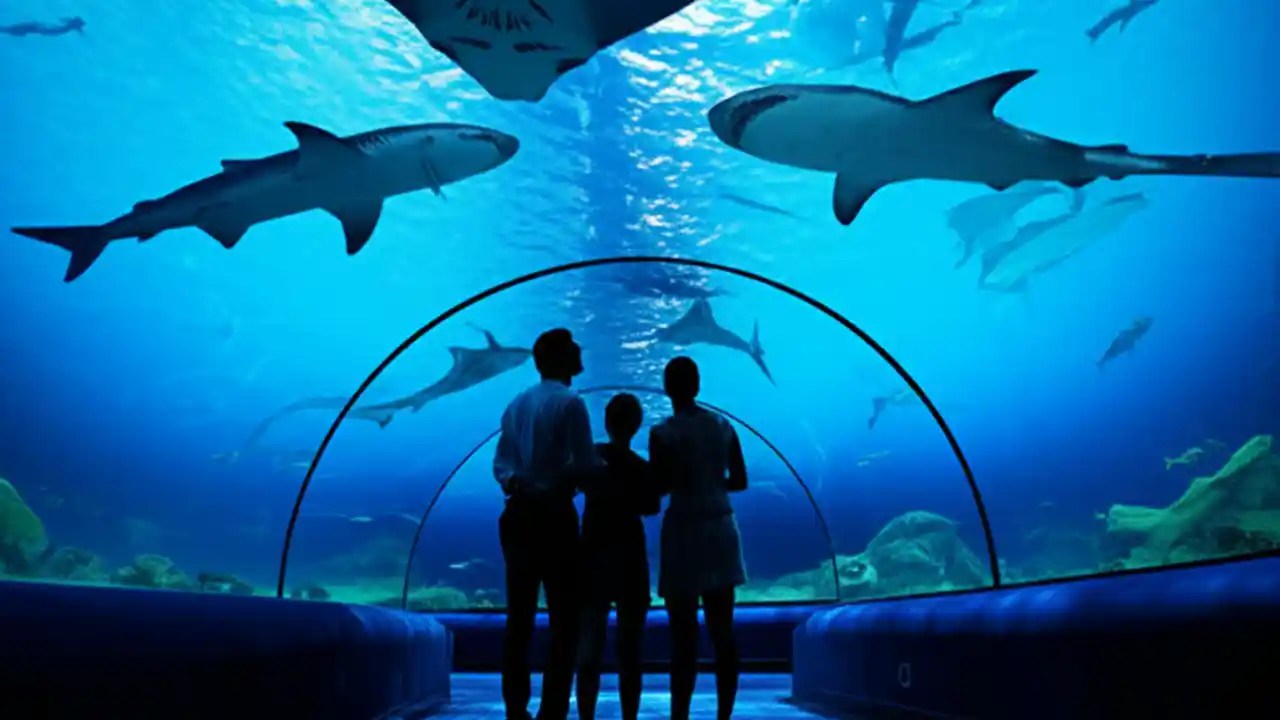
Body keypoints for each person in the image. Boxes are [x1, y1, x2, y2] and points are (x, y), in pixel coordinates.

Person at [493, 328, 599, 720]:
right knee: (564, 619)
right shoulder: (571, 402)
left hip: (517, 515)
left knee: (518, 617)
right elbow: (585, 464)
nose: (578, 351)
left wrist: (520, 482)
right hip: (554, 516)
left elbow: (501, 463)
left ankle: (515, 709)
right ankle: (552, 710)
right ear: (558, 358)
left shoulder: (516, 403)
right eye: (572, 348)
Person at [649, 356, 748, 720]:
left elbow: (658, 488)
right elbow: (740, 479)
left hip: (683, 531)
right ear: (698, 385)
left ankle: (680, 716)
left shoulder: (662, 433)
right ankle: (724, 714)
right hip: (720, 526)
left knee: (683, 636)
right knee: (724, 631)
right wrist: (710, 483)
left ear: (667, 388)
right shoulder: (723, 425)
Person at [575, 393, 660, 720]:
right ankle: (629, 717)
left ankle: (585, 715)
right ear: (636, 426)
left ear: (606, 422)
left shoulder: (591, 457)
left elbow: (571, 484)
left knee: (590, 643)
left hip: (593, 553)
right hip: (629, 556)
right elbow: (651, 507)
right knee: (630, 648)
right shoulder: (641, 467)